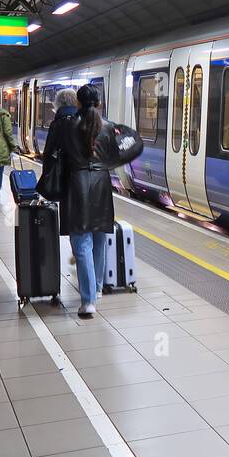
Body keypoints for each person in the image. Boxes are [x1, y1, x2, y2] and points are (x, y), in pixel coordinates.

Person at [43, 88, 144, 318]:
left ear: (77, 102)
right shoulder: (107, 126)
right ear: (98, 103)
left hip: (76, 184)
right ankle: (97, 289)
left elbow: (50, 156)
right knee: (99, 237)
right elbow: (129, 146)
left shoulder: (64, 125)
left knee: (81, 244)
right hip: (101, 184)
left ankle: (88, 301)